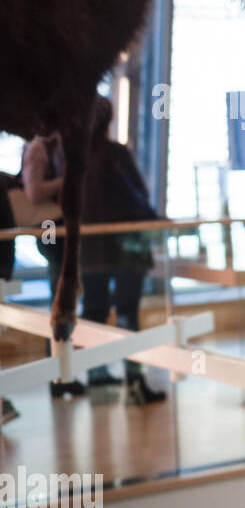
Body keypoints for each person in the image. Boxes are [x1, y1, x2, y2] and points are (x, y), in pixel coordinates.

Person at [79, 98, 166, 403]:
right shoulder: (115, 154)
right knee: (127, 314)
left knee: (94, 313)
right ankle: (133, 383)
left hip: (90, 249)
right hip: (126, 246)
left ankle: (98, 379)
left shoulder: (75, 158)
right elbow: (137, 195)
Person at [21, 133, 84, 398]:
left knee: (60, 294)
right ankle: (58, 373)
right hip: (49, 226)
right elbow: (34, 192)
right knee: (59, 298)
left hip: (57, 227)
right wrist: (67, 183)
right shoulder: (40, 147)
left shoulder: (54, 145)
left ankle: (60, 372)